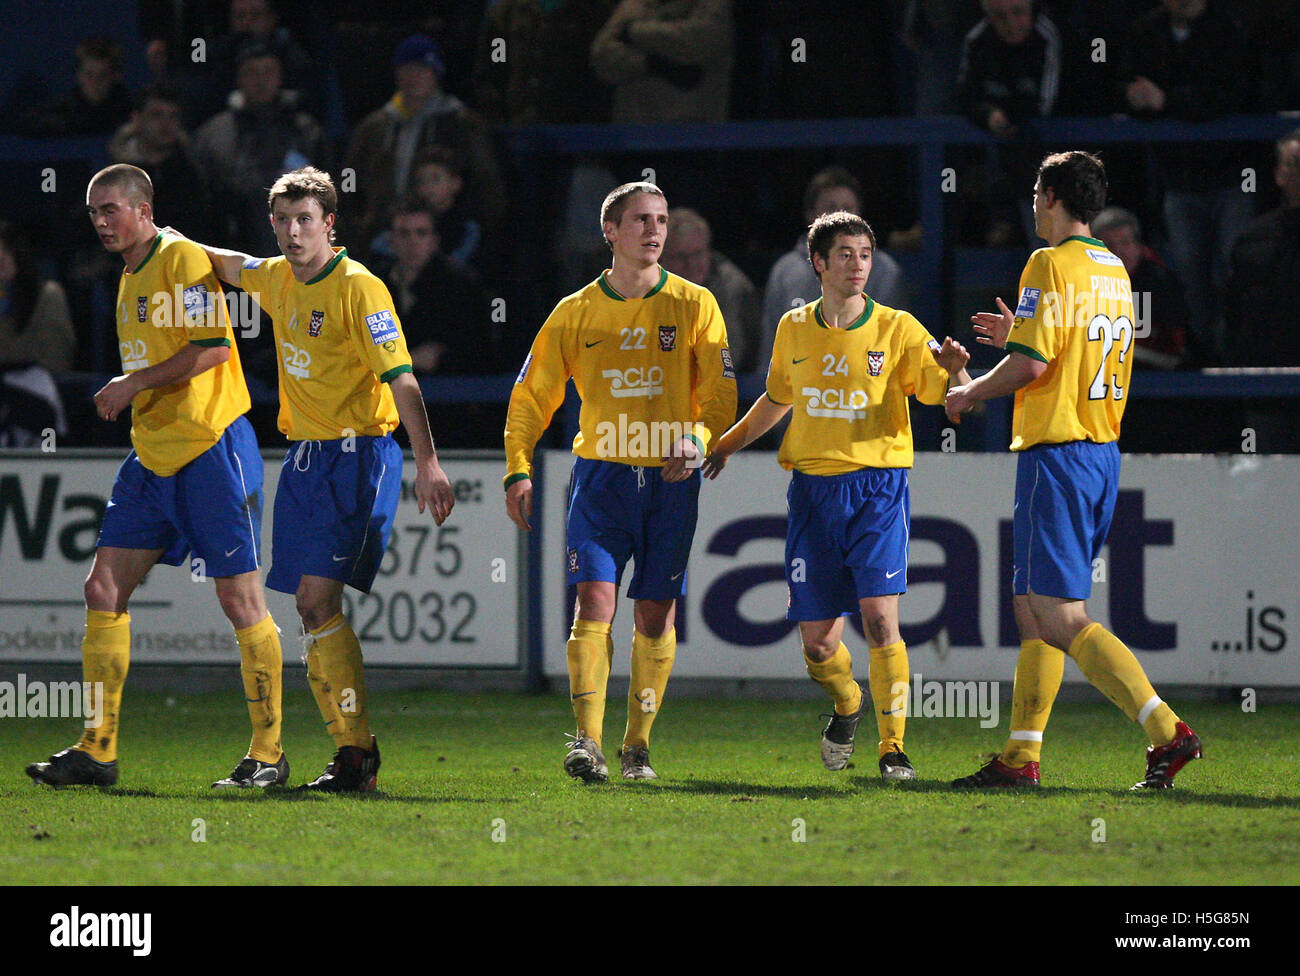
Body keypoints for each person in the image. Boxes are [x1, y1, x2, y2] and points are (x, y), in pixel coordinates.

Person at [186, 167, 455, 792]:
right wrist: (163, 237)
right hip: (305, 459)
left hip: (357, 456)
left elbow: (404, 380)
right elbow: (228, 262)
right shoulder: (278, 278)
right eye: (281, 221)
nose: (291, 232)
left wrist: (428, 462)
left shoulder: (360, 289)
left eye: (304, 219)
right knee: (310, 609)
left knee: (315, 601)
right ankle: (350, 756)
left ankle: (356, 752)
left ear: (329, 225)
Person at [945, 150, 1202, 790]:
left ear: (1054, 196)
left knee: (1060, 616)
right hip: (1098, 452)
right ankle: (1019, 756)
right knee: (1033, 608)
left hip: (1057, 453)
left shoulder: (1049, 262)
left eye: (1037, 189)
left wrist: (971, 391)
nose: (1032, 200)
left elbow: (1033, 369)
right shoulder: (1111, 267)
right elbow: (1062, 346)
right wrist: (1022, 332)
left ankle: (1168, 732)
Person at [26, 164, 287, 790]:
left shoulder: (179, 259)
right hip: (152, 456)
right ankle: (98, 748)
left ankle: (269, 755)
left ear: (144, 209)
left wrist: (131, 383)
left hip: (209, 448)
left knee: (239, 599)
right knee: (103, 590)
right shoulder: (129, 274)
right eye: (94, 212)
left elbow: (214, 350)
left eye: (111, 209)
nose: (101, 222)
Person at [702, 211, 970, 782]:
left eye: (865, 255)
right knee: (820, 648)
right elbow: (777, 399)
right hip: (813, 492)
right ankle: (848, 705)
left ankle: (892, 748)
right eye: (845, 254)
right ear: (818, 262)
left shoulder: (898, 327)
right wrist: (725, 444)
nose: (857, 265)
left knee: (879, 619)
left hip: (877, 487)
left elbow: (938, 393)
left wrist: (952, 373)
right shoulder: (793, 327)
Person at [503, 181, 737, 783]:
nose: (654, 231)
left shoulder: (694, 304)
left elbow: (719, 391)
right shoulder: (575, 311)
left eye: (660, 219)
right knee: (594, 601)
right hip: (601, 475)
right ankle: (587, 742)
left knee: (654, 615)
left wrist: (701, 439)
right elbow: (532, 396)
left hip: (670, 475)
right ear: (610, 231)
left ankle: (637, 745)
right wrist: (518, 467)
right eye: (640, 220)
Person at [344, 34, 505, 267]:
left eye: (423, 69)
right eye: (407, 69)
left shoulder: (463, 124)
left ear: (436, 74)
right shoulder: (374, 127)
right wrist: (361, 227)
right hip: (384, 240)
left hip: (446, 238)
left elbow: (487, 185)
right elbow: (350, 182)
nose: (414, 76)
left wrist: (468, 229)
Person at [191, 40, 325, 256]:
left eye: (268, 71)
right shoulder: (213, 134)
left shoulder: (306, 131)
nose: (261, 80)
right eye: (252, 72)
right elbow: (202, 200)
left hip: (297, 252)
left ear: (280, 76)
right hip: (231, 252)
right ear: (239, 78)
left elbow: (325, 195)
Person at [762, 167, 907, 363]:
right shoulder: (785, 271)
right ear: (811, 214)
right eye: (831, 208)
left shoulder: (884, 271)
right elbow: (771, 348)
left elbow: (892, 346)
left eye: (849, 208)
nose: (841, 217)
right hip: (799, 388)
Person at [1223, 128, 1300, 451]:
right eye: (1294, 163)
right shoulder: (1254, 240)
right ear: (1279, 175)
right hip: (1270, 397)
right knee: (1269, 493)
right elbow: (1233, 316)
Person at [660, 207, 761, 373]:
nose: (691, 264)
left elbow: (730, 356)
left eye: (698, 253)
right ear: (661, 259)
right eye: (680, 257)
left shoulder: (733, 288)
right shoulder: (643, 290)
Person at [1091, 206, 1189, 370]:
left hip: (1161, 364)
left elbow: (1175, 345)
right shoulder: (1084, 283)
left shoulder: (1160, 281)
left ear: (1138, 246)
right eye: (1109, 245)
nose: (1119, 251)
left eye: (1125, 243)